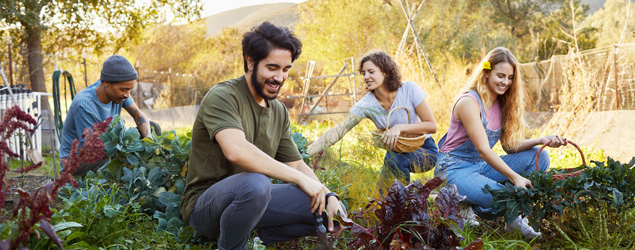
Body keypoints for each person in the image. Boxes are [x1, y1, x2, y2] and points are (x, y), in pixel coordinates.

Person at [179, 22, 347, 249]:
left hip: (252, 201)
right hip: (206, 206)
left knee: (325, 210)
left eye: (285, 69)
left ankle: (254, 236)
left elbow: (297, 165)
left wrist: (328, 196)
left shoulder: (278, 111)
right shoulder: (223, 96)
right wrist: (298, 180)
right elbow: (235, 150)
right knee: (257, 184)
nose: (279, 77)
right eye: (272, 68)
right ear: (250, 61)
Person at [434, 47, 567, 239]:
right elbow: (483, 150)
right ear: (487, 73)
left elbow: (509, 146)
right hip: (453, 169)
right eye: (500, 75)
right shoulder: (469, 102)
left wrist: (541, 140)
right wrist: (515, 178)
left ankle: (514, 221)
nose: (505, 82)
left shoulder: (501, 103)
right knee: (506, 197)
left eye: (510, 77)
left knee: (539, 156)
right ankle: (461, 203)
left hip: (479, 166)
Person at [306, 51, 438, 191]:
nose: (366, 77)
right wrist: (305, 153)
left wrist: (399, 127)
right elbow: (340, 130)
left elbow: (431, 126)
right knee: (380, 193)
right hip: (394, 155)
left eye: (371, 72)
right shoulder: (366, 104)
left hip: (425, 151)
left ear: (386, 72)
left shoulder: (409, 89)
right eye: (364, 73)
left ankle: (403, 204)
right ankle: (381, 204)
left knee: (393, 160)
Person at [60, 55, 154, 177]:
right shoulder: (84, 104)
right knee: (120, 165)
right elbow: (93, 151)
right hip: (79, 164)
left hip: (107, 150)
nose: (127, 95)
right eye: (124, 89)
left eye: (130, 90)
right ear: (107, 83)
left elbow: (137, 114)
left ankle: (142, 167)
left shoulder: (119, 94)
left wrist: (148, 138)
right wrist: (130, 151)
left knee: (152, 128)